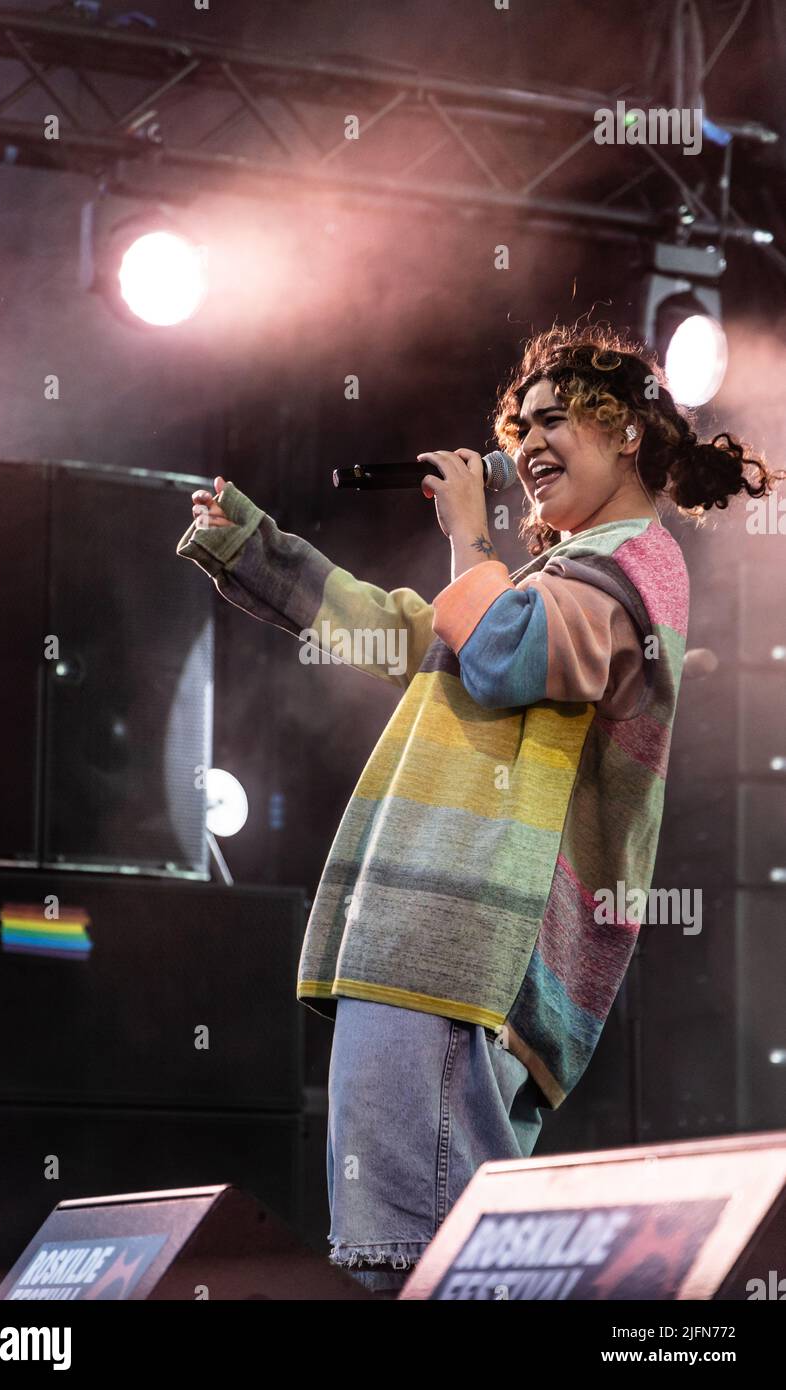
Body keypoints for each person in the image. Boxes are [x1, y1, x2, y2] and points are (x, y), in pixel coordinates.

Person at [176, 324, 781, 1297]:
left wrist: (468, 535)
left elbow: (501, 653)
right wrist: (254, 547)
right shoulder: (553, 575)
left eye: (554, 420)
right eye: (519, 427)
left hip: (466, 948)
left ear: (624, 430)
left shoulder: (636, 562)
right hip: (430, 944)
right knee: (406, 1252)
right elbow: (403, 632)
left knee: (427, 1261)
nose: (527, 445)